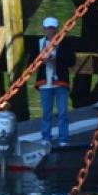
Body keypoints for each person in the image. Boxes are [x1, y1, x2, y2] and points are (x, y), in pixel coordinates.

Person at [34, 16, 76, 145]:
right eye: (48, 28)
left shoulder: (65, 43)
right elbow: (32, 62)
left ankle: (63, 139)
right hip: (45, 84)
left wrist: (56, 60)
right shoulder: (39, 43)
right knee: (46, 113)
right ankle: (46, 137)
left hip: (60, 83)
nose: (50, 31)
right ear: (44, 29)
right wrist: (41, 60)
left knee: (63, 113)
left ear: (57, 29)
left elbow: (71, 61)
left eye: (52, 28)